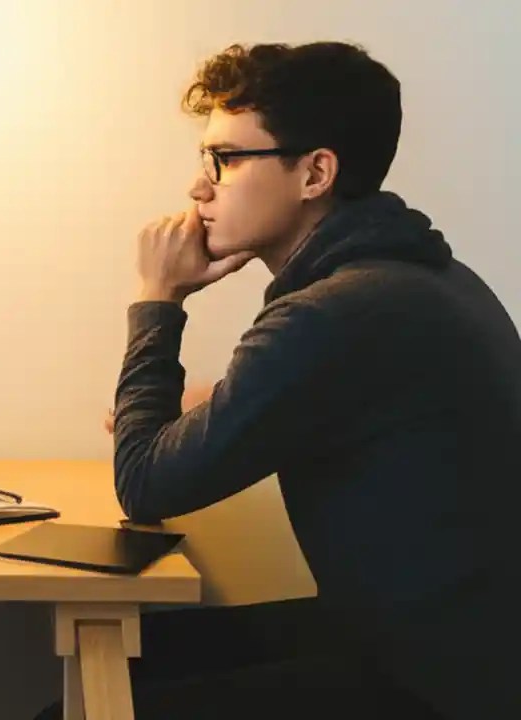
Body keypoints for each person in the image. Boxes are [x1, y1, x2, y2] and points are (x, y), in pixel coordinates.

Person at [39, 41, 521, 719]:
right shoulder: (421, 278)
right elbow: (343, 405)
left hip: (428, 686)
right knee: (119, 662)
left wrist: (158, 297)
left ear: (315, 172)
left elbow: (144, 484)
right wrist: (216, 403)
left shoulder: (331, 313)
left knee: (85, 706)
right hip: (460, 655)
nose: (199, 186)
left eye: (226, 159)